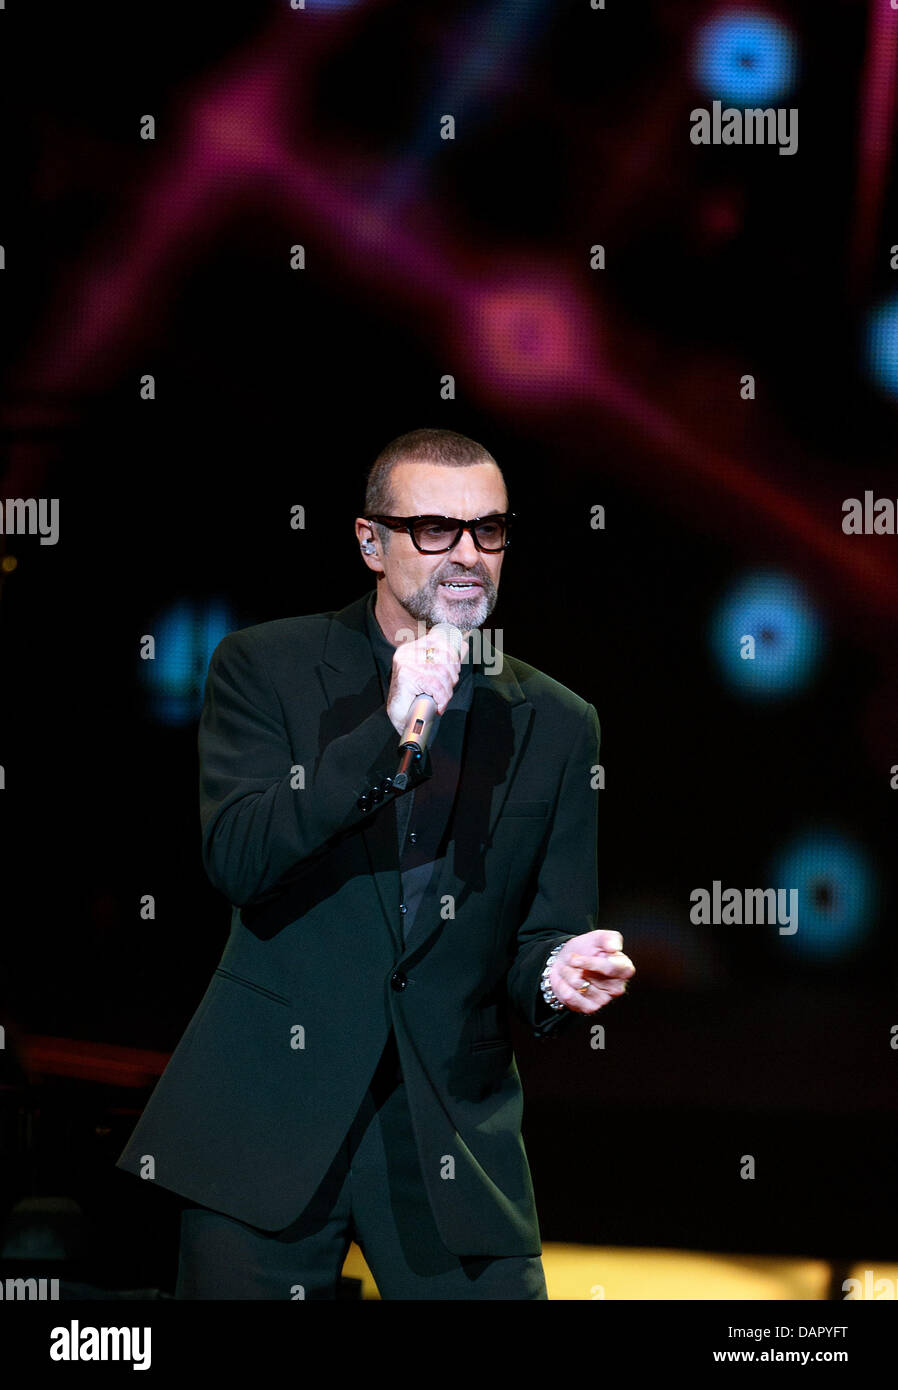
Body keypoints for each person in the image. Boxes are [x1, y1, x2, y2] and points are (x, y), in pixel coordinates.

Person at [115, 427, 634, 1299]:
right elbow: (239, 857)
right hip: (266, 1123)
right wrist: (385, 729)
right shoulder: (265, 667)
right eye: (436, 529)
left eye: (490, 531)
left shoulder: (556, 721)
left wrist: (556, 975)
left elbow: (543, 932)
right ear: (370, 541)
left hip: (450, 1131)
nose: (467, 555)